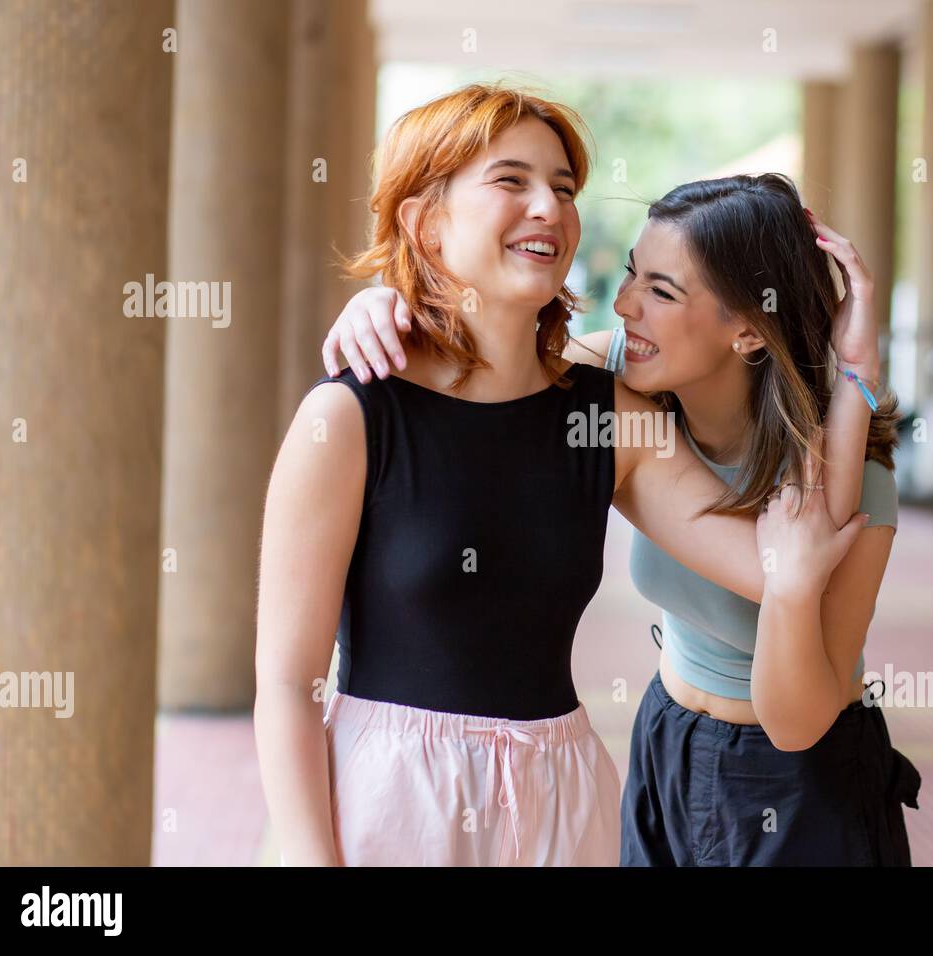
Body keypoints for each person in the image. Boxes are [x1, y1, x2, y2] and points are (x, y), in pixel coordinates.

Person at [254, 84, 865, 867]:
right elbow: (287, 684)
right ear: (424, 220)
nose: (549, 206)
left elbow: (782, 560)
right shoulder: (348, 419)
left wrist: (856, 376)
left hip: (560, 806)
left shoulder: (606, 413)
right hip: (390, 803)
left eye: (565, 188)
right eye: (511, 181)